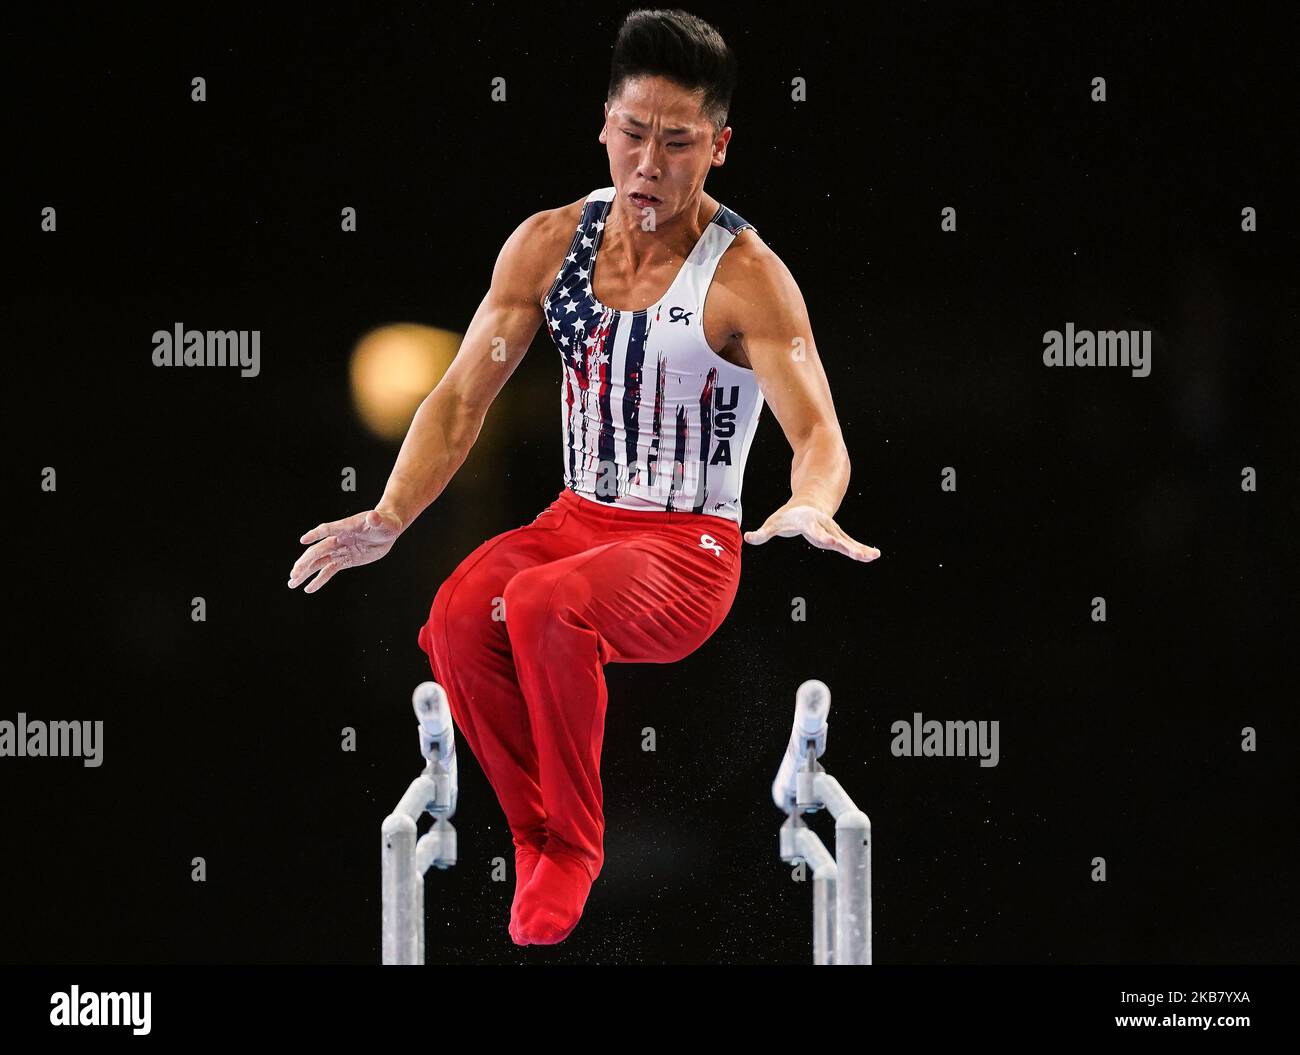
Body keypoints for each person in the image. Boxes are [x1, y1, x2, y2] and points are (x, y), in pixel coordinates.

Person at [287, 8, 880, 947]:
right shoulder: (548, 244)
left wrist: (810, 503)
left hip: (685, 554)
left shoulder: (748, 279)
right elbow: (457, 400)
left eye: (679, 142)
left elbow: (820, 434)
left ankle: (574, 843)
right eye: (634, 134)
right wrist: (394, 514)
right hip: (576, 519)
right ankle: (533, 834)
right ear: (604, 124)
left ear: (719, 146)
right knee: (453, 616)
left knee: (541, 605)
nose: (650, 163)